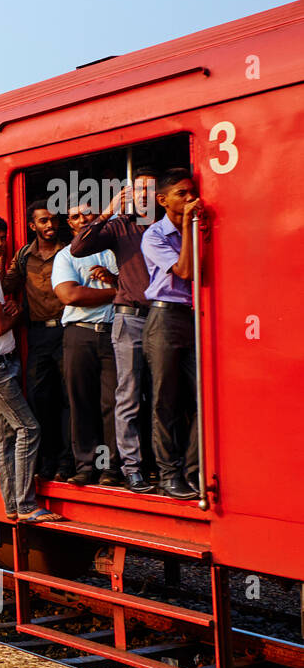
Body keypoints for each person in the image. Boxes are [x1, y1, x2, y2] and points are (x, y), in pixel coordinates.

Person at [0, 214, 60, 524]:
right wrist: (19, 312)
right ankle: (25, 503)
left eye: (2, 238)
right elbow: (0, 324)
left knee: (6, 437)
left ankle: (11, 504)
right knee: (29, 429)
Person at [71, 168, 160, 493]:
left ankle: (163, 467)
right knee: (129, 395)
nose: (144, 197)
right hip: (129, 318)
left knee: (164, 394)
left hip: (164, 317)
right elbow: (78, 248)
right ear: (129, 194)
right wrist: (108, 211)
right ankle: (132, 469)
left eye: (150, 191)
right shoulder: (120, 226)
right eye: (138, 191)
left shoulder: (165, 226)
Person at [141, 168, 206, 500]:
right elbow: (185, 271)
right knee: (165, 401)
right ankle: (169, 475)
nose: (190, 198)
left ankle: (193, 470)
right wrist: (188, 229)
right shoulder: (154, 235)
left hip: (191, 317)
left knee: (201, 397)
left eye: (192, 191)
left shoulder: (194, 229)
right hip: (164, 318)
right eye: (182, 193)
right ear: (162, 200)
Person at [53, 205, 123, 487]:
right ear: (69, 223)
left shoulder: (114, 250)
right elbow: (70, 295)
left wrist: (114, 285)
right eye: (75, 216)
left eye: (88, 213)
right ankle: (85, 466)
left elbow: (135, 286)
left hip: (114, 332)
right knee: (81, 403)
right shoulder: (65, 255)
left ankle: (109, 467)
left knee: (112, 404)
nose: (83, 220)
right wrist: (116, 291)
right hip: (78, 334)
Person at [5, 200, 74, 482]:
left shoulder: (70, 250)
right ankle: (47, 461)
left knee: (69, 398)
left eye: (53, 220)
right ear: (32, 226)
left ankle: (68, 462)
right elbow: (7, 285)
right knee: (39, 399)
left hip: (68, 330)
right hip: (38, 335)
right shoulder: (24, 257)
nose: (50, 225)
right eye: (43, 221)